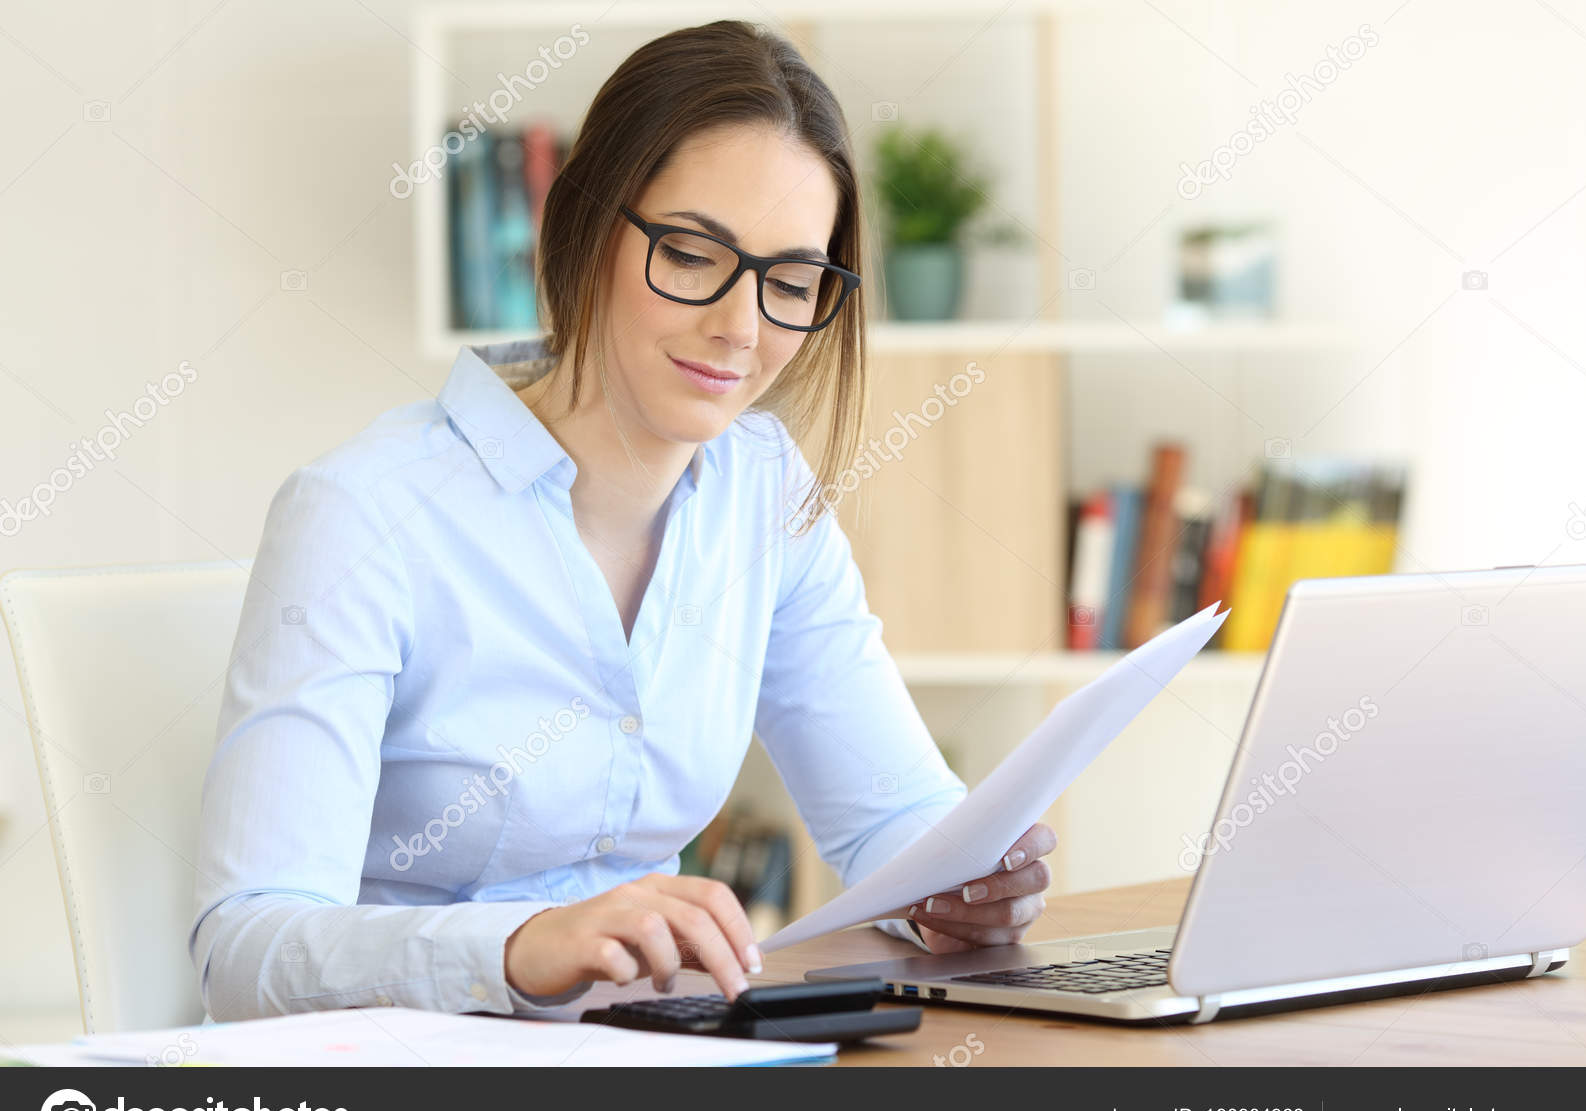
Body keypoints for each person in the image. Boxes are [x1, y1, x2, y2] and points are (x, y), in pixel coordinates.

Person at [189, 19, 1053, 1023]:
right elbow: (246, 948)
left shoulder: (763, 491)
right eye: (690, 254)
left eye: (789, 282)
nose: (740, 327)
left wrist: (959, 887)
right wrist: (517, 948)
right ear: (587, 226)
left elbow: (893, 818)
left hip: (653, 1049)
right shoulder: (363, 515)